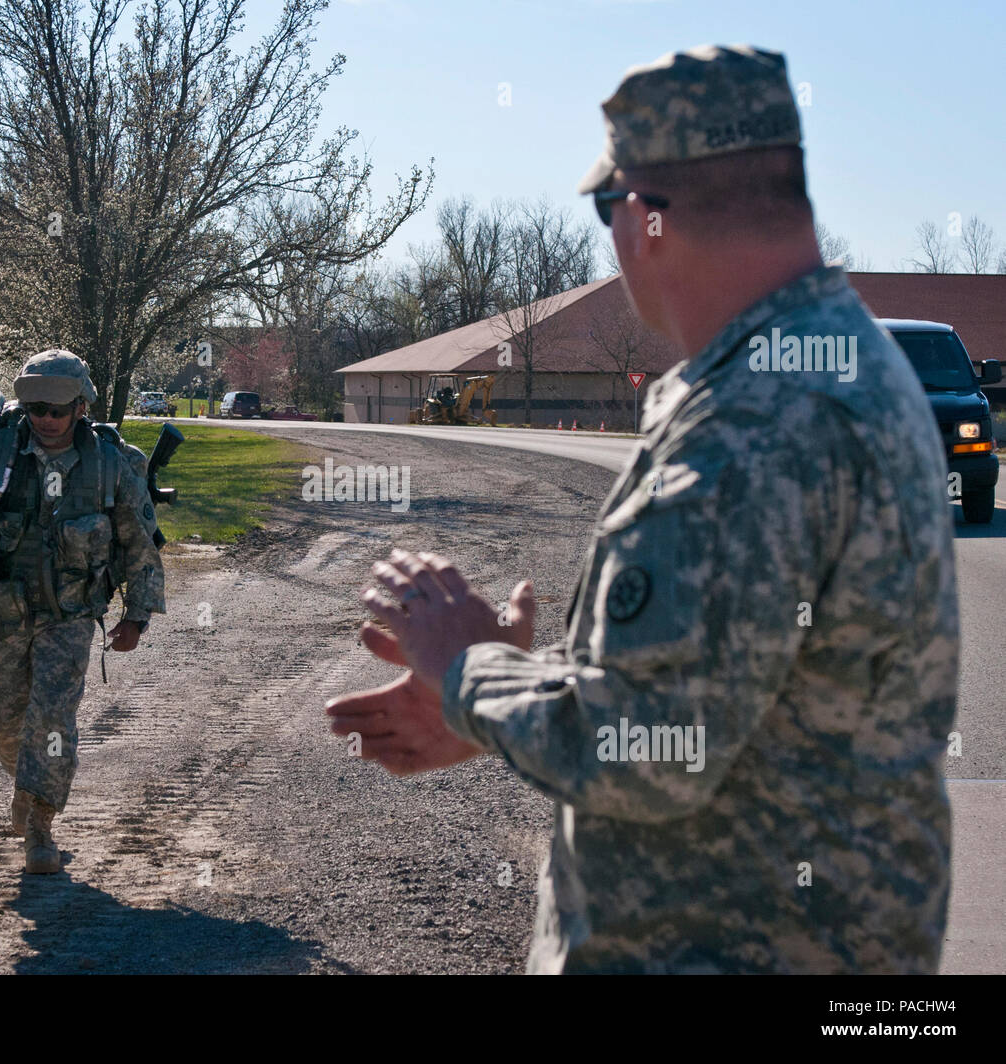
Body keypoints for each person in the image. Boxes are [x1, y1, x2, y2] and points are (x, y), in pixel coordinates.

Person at [325, 45, 957, 974]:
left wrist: (471, 669)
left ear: (644, 217)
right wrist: (497, 703)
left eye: (606, 211)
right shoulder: (830, 365)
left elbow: (660, 749)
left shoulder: (757, 417)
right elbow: (729, 702)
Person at [0, 350, 164, 874]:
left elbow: (139, 542)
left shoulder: (110, 464)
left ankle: (39, 826)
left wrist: (137, 615)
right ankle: (27, 783)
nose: (47, 420)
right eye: (36, 408)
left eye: (58, 410)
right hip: (1, 609)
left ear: (81, 407)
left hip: (71, 615)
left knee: (52, 718)